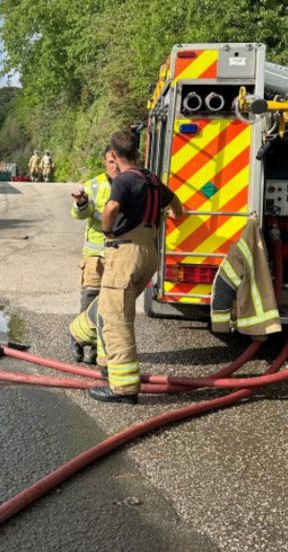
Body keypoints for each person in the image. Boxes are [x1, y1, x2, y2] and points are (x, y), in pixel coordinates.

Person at [71, 130, 186, 404]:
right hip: (149, 253)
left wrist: (109, 232)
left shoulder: (123, 180)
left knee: (116, 319)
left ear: (115, 153)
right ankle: (78, 332)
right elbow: (177, 207)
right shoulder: (152, 179)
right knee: (108, 303)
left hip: (126, 253)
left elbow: (110, 209)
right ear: (138, 151)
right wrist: (169, 216)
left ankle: (122, 388)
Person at [68, 146, 119, 364]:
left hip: (119, 255)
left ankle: (97, 347)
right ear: (104, 163)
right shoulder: (94, 185)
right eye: (110, 161)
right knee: (88, 299)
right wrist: (81, 203)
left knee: (109, 305)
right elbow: (77, 214)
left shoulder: (130, 184)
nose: (114, 166)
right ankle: (78, 340)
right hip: (95, 256)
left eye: (117, 161)